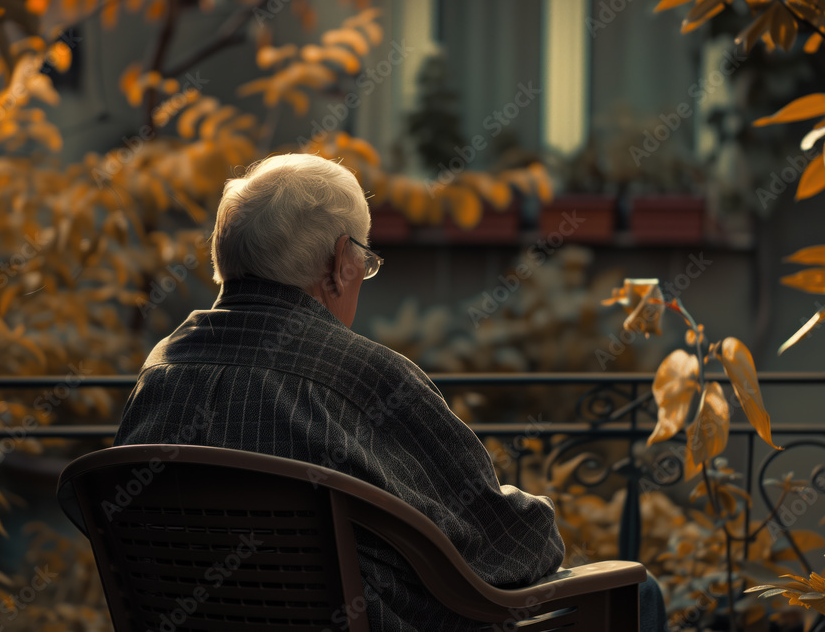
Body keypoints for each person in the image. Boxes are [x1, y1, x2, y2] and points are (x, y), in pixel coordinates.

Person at [114, 153, 665, 630]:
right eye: (365, 262)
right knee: (637, 594)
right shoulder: (362, 379)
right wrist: (537, 509)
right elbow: (510, 548)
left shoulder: (162, 371)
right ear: (339, 263)